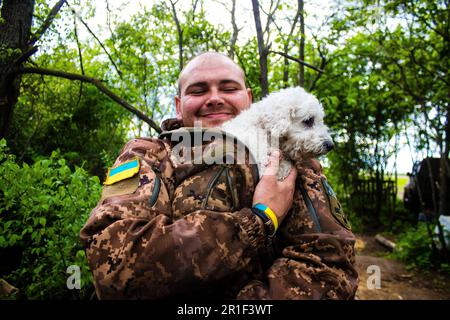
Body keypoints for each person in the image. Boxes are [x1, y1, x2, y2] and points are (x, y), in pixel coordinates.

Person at [80, 52, 358, 299]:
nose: (214, 98)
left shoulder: (294, 158)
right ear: (179, 104)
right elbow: (115, 270)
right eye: (198, 90)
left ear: (249, 99)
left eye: (228, 88)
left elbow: (330, 269)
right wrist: (261, 219)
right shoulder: (147, 155)